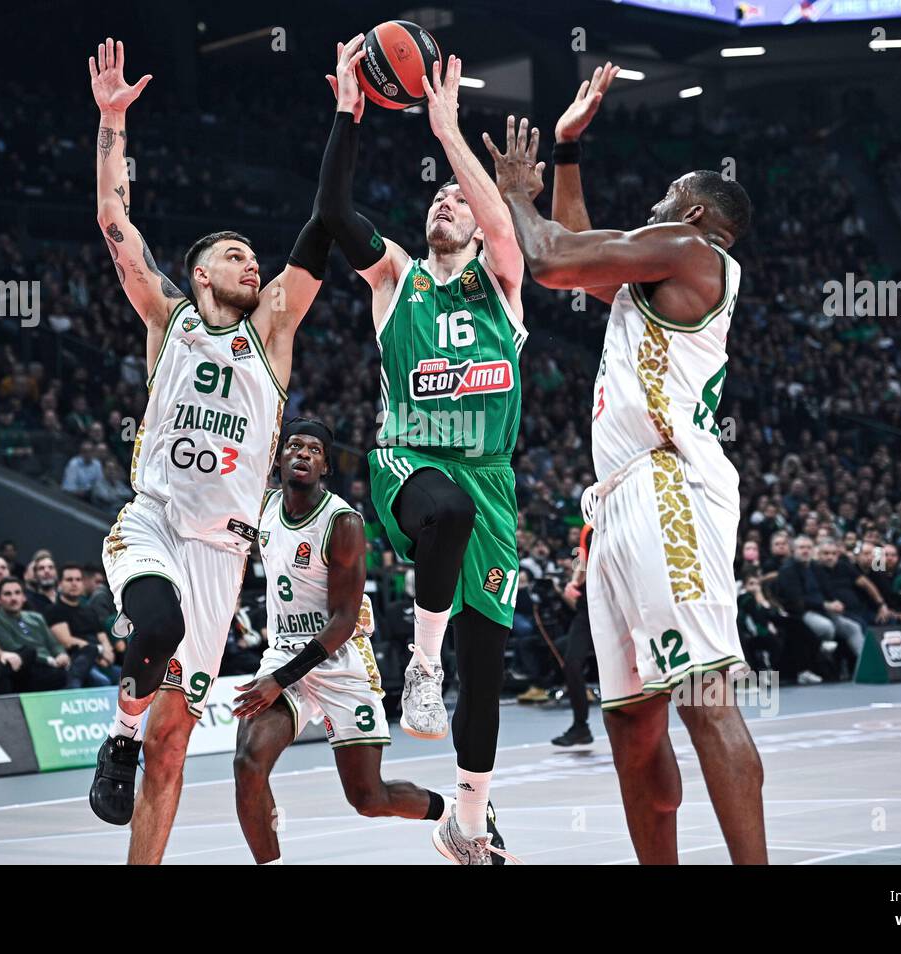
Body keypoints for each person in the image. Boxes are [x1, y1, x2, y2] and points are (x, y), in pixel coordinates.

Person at [488, 63, 767, 864]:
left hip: (668, 480)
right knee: (630, 718)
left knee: (704, 694)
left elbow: (549, 260)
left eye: (669, 191)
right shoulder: (662, 271)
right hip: (616, 499)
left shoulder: (687, 248)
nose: (654, 201)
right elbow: (582, 252)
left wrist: (517, 191)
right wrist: (570, 150)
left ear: (698, 210)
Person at [84, 38, 332, 866]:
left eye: (251, 256)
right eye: (232, 255)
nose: (250, 261)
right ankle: (116, 735)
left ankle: (139, 798)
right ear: (196, 276)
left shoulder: (271, 333)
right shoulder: (169, 320)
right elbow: (115, 221)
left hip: (223, 552)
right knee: (152, 621)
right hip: (153, 520)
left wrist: (346, 115)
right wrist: (112, 123)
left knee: (176, 743)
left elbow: (319, 235)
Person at [315, 38, 525, 863]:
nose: (445, 202)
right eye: (435, 197)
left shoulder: (504, 284)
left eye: (457, 198)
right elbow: (334, 213)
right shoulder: (397, 277)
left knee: (491, 663)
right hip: (409, 457)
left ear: (477, 222)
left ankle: (468, 818)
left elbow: (507, 223)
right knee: (448, 507)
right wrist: (347, 111)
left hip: (493, 480)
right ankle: (421, 665)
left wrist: (449, 133)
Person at [232, 420, 495, 862]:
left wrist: (278, 679)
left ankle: (458, 813)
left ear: (325, 466)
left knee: (368, 798)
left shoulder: (343, 522)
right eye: (293, 446)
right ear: (278, 460)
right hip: (283, 652)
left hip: (340, 658)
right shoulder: (262, 510)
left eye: (313, 450)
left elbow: (341, 621)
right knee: (248, 763)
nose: (302, 453)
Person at [0, 579, 83, 692]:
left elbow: (53, 643)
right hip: (27, 667)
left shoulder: (36, 617)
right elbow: (12, 647)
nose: (13, 598)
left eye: (17, 593)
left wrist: (61, 654)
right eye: (7, 594)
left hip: (53, 665)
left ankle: (73, 683)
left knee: (88, 650)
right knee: (64, 675)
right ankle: (73, 685)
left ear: (24, 597)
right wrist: (48, 660)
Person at [552, 524, 594, 747]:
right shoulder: (588, 527)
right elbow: (581, 556)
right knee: (571, 663)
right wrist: (574, 581)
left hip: (619, 604)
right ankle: (581, 726)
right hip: (588, 607)